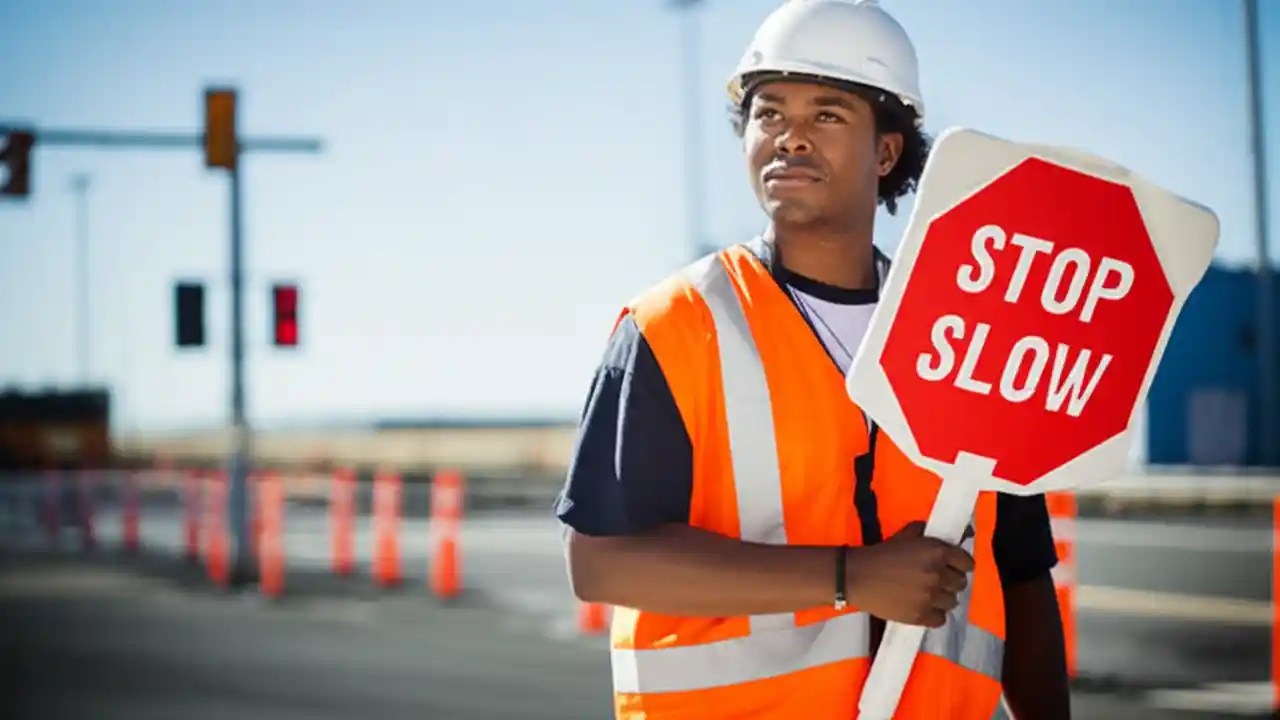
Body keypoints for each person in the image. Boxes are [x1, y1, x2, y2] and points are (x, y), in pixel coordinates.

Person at [554, 1, 1070, 717]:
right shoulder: (673, 327)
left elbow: (1021, 573)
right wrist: (850, 577)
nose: (789, 138)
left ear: (887, 152)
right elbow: (602, 561)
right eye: (769, 114)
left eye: (826, 115)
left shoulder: (968, 336)